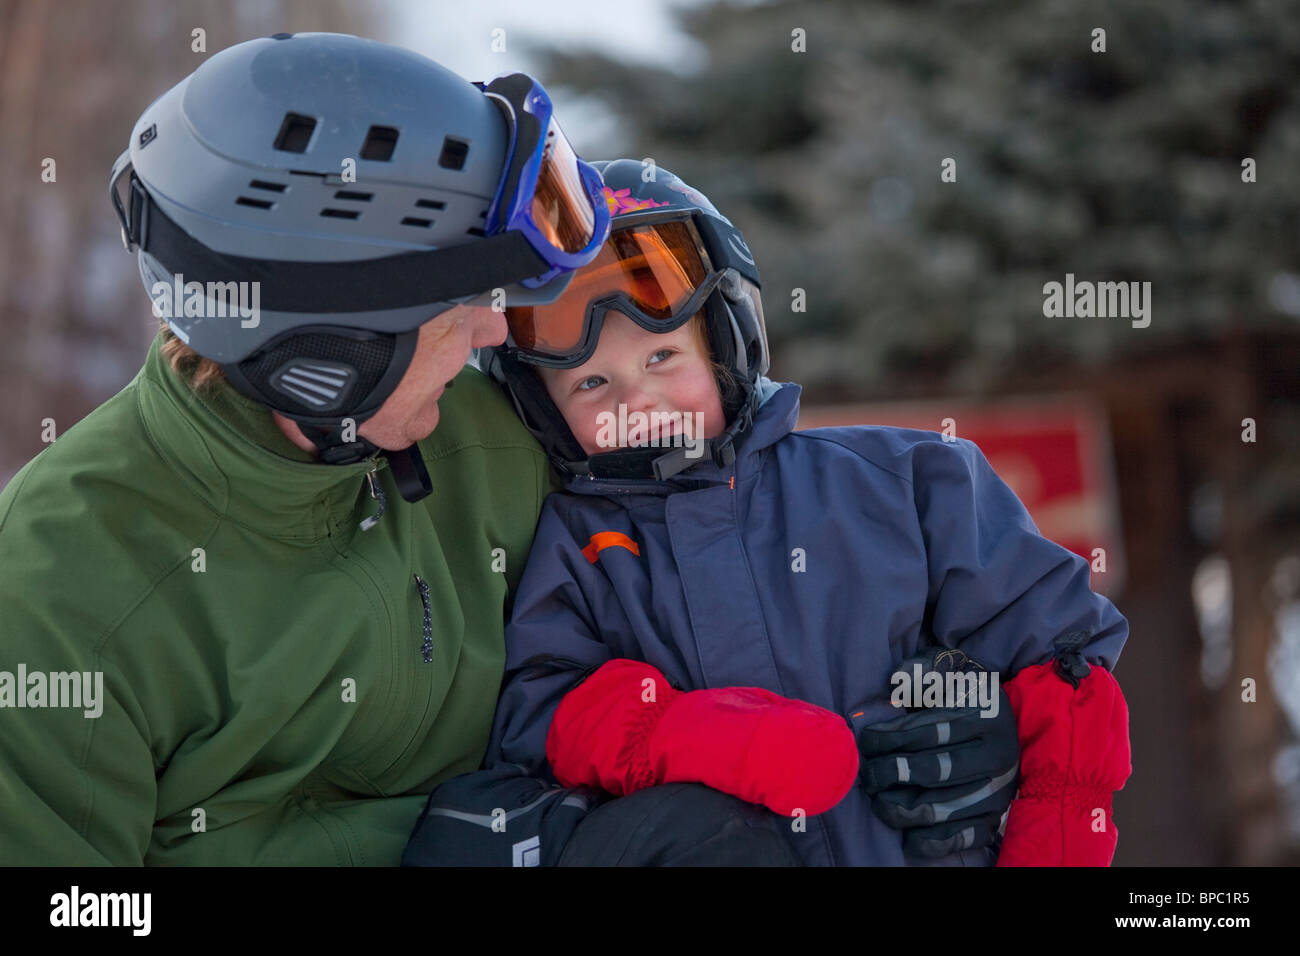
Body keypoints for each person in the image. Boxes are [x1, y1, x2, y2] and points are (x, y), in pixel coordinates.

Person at [0, 33, 614, 865]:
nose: (493, 329)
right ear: (333, 355)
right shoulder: (56, 586)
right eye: (459, 303)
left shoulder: (497, 444)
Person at [476, 160, 1133, 866]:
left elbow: (1059, 659)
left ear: (729, 341)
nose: (636, 403)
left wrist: (1054, 838)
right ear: (541, 407)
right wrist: (689, 734)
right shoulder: (578, 548)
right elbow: (541, 715)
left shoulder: (902, 483)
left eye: (663, 356)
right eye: (592, 383)